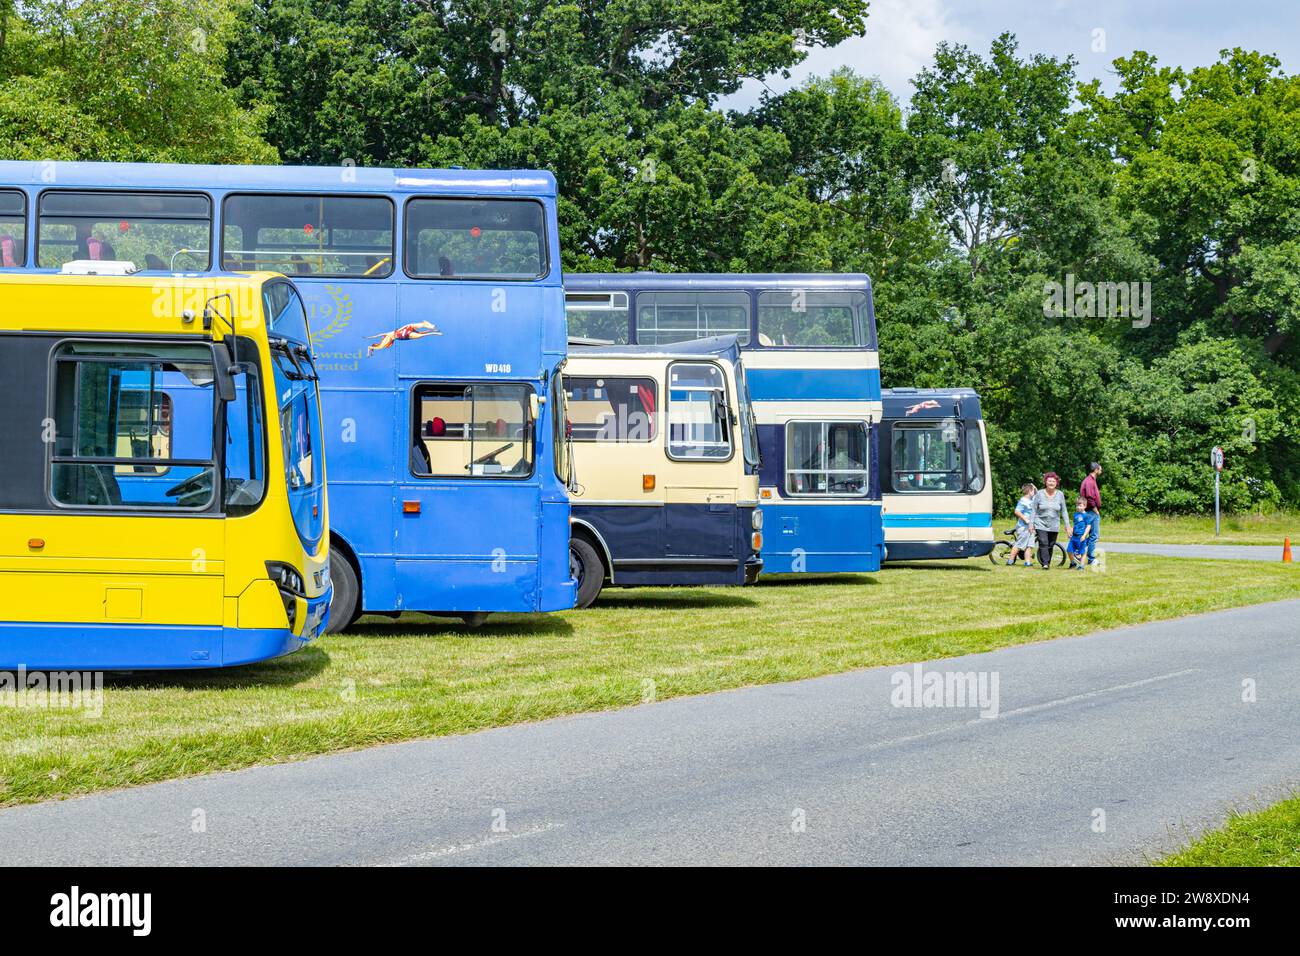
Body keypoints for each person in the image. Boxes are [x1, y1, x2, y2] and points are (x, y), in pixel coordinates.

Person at [1031, 471, 1070, 571]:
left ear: (1056, 483)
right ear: (1045, 482)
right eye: (1049, 481)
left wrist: (1067, 525)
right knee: (1043, 542)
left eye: (1053, 481)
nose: (1051, 483)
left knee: (1051, 544)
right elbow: (1034, 509)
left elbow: (1064, 511)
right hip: (1040, 523)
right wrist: (1031, 523)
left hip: (1054, 525)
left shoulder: (1060, 494)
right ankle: (1045, 564)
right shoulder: (1039, 494)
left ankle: (1046, 562)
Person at [1007, 482, 1037, 567]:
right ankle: (1010, 560)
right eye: (1033, 490)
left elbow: (1038, 494)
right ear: (1030, 491)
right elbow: (1017, 511)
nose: (1034, 492)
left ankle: (1027, 562)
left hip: (1031, 527)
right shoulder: (1023, 501)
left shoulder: (1033, 499)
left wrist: (1034, 487)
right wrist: (1026, 519)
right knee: (1019, 544)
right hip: (1023, 527)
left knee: (1029, 545)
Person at [1080, 461, 1102, 565]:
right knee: (1094, 536)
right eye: (1100, 468)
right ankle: (1091, 558)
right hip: (1091, 511)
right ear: (1096, 469)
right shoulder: (1089, 481)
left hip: (1091, 511)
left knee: (1094, 535)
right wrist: (1095, 510)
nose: (1101, 470)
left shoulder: (1091, 480)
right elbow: (1089, 498)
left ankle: (1080, 549)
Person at [1066, 495, 1091, 570]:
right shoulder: (1075, 514)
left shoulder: (1086, 515)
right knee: (1069, 550)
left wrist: (1084, 535)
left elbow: (1088, 526)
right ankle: (1073, 563)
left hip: (1081, 537)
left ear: (1085, 506)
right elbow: (1075, 525)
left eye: (1080, 505)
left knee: (1082, 552)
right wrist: (1071, 532)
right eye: (1077, 505)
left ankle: (1082, 566)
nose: (1078, 507)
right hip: (1074, 537)